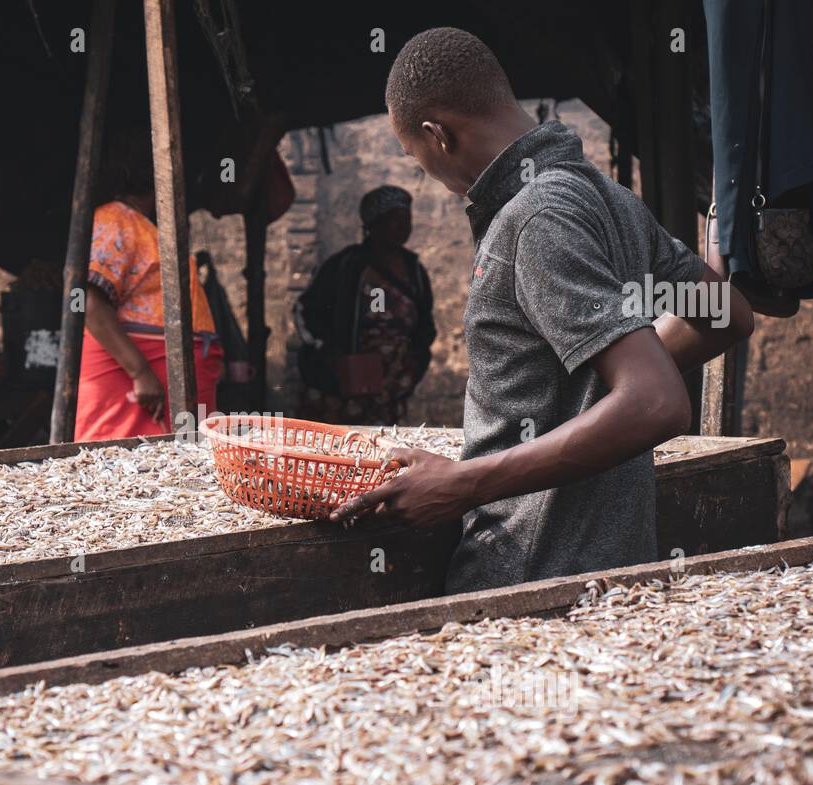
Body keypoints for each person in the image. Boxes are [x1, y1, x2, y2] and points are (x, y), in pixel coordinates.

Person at [332, 28, 754, 594]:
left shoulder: (535, 221)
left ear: (438, 135)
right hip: (613, 573)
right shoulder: (608, 199)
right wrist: (609, 386)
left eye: (415, 157)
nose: (425, 173)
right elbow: (725, 314)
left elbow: (655, 403)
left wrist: (462, 483)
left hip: (535, 580)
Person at [75, 128, 223, 441]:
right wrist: (140, 373)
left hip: (164, 375)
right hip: (138, 381)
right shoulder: (115, 220)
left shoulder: (140, 225)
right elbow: (89, 302)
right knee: (123, 468)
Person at [296, 185, 435, 425]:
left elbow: (425, 322)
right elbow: (306, 311)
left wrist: (416, 360)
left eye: (407, 219)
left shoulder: (414, 270)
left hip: (393, 381)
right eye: (394, 220)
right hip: (346, 378)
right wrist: (331, 353)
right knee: (340, 443)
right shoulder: (345, 266)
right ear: (373, 224)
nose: (403, 227)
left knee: (383, 449)